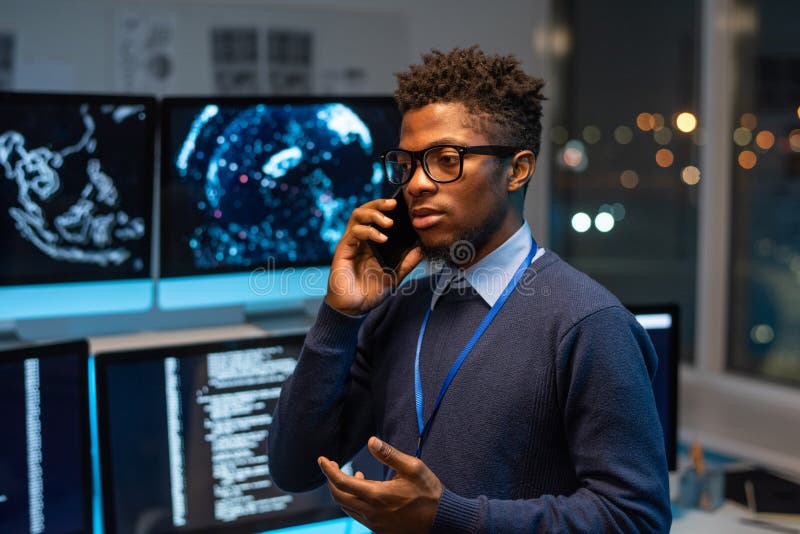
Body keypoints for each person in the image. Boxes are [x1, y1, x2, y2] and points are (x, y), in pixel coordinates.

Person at [268, 46, 671, 533]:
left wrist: (446, 517)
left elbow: (636, 518)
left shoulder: (589, 324)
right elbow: (293, 468)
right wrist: (340, 314)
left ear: (517, 170)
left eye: (446, 159)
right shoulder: (396, 311)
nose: (416, 184)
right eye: (407, 164)